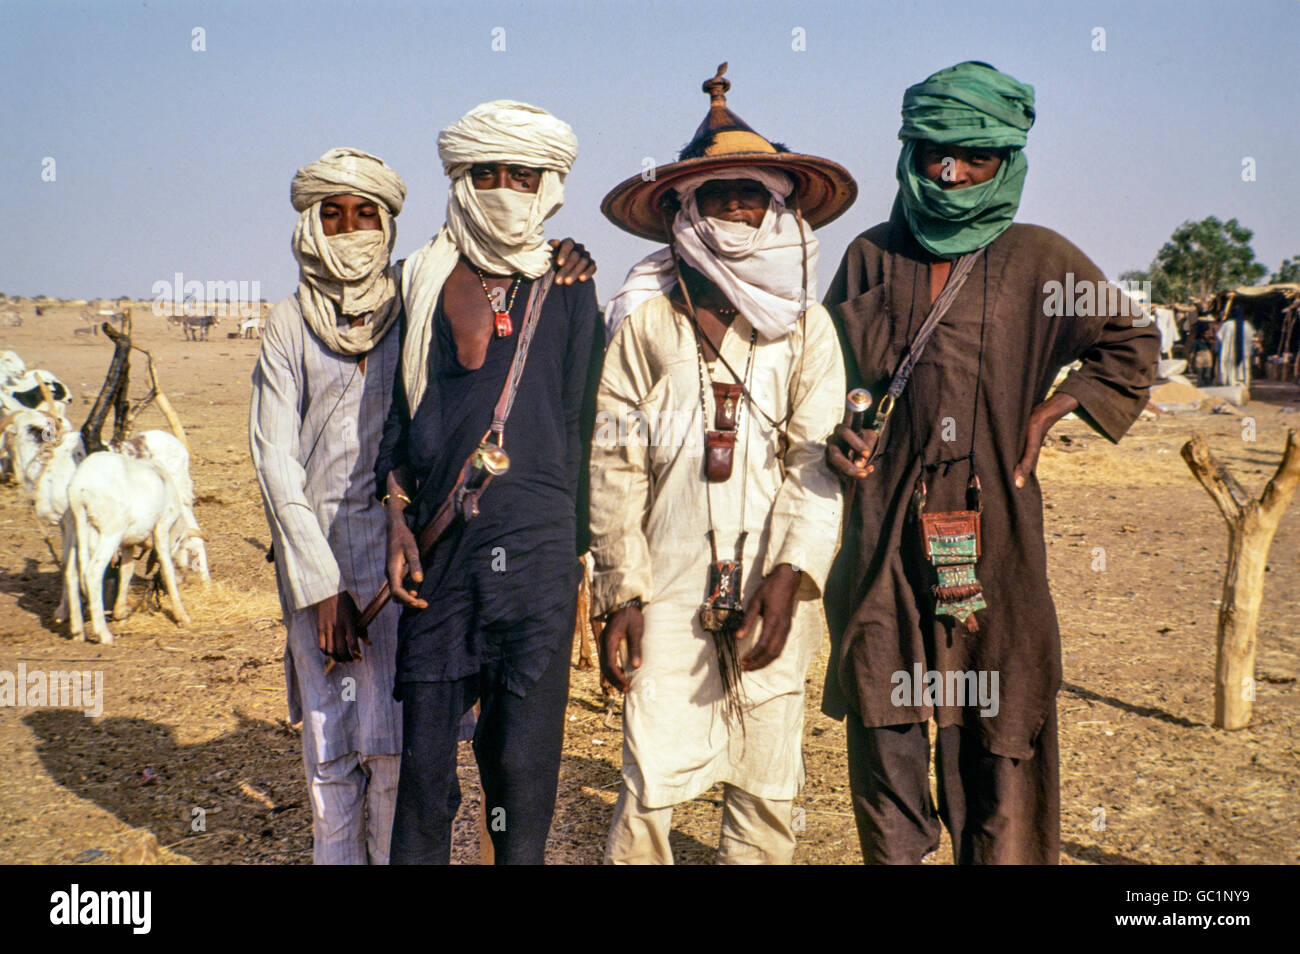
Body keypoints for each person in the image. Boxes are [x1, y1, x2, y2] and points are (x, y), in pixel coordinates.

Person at [822, 62, 1159, 865]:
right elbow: (827, 380)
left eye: (974, 156)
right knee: (887, 712)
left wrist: (1054, 407)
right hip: (884, 538)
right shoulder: (870, 256)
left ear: (1008, 161)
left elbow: (1131, 341)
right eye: (936, 150)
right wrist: (843, 433)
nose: (951, 171)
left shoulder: (1043, 261)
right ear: (910, 151)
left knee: (1001, 726)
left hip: (995, 536)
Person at [590, 65, 854, 864]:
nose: (737, 209)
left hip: (775, 583)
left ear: (780, 208)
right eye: (717, 195)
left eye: (753, 194)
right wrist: (619, 593)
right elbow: (614, 469)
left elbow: (818, 462)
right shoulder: (645, 325)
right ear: (682, 210)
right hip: (665, 587)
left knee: (768, 781)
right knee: (648, 779)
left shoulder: (806, 329)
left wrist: (794, 574)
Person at [375, 100, 602, 865]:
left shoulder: (569, 284)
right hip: (443, 562)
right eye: (487, 172)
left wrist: (580, 559)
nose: (504, 187)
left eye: (522, 173)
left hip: (537, 566)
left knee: (522, 782)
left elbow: (578, 426)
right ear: (462, 178)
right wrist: (398, 522)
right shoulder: (418, 281)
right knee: (425, 786)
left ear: (549, 182)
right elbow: (394, 432)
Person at [249, 148, 409, 864]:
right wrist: (319, 588)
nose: (349, 230)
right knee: (330, 749)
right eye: (333, 214)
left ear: (387, 223)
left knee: (395, 748)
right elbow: (275, 458)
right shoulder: (287, 323)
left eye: (365, 213)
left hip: (402, 555)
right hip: (312, 551)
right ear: (311, 224)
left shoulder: (415, 305)